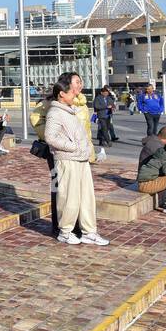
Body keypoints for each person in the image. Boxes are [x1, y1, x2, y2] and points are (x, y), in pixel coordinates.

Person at [44, 73, 108, 246]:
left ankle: (89, 231)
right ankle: (65, 231)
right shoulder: (55, 112)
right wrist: (72, 147)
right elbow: (50, 137)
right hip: (67, 159)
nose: (76, 94)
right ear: (62, 94)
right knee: (69, 197)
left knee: (86, 198)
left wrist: (86, 150)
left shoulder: (72, 111)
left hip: (81, 159)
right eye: (72, 91)